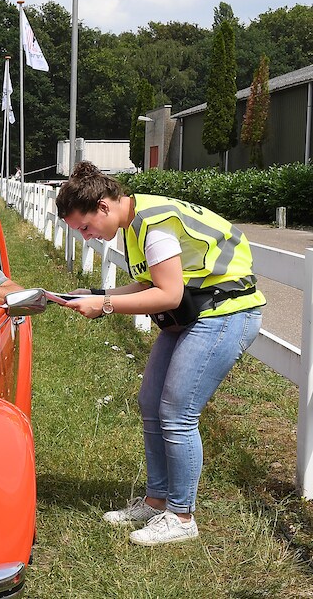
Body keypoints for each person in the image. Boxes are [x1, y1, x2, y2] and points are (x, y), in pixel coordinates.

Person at [55, 161, 265, 546]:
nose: (87, 238)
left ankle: (182, 517)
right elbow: (150, 283)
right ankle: (157, 502)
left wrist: (104, 306)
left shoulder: (152, 225)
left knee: (177, 412)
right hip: (198, 313)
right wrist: (98, 294)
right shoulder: (137, 219)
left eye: (85, 228)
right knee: (151, 402)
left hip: (226, 313)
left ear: (103, 206)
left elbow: (167, 295)